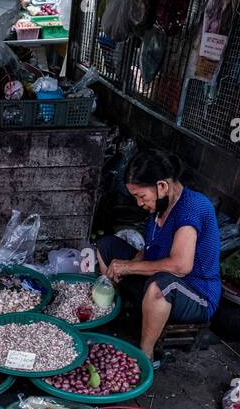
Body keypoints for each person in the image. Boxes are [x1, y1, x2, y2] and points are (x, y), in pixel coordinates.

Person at [94, 150, 221, 365]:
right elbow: (151, 250)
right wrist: (126, 265)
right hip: (159, 277)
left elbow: (180, 266)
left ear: (161, 186)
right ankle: (112, 312)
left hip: (195, 294)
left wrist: (129, 269)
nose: (139, 204)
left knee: (160, 286)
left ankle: (146, 355)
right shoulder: (161, 206)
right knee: (107, 246)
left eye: (141, 196)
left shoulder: (191, 208)